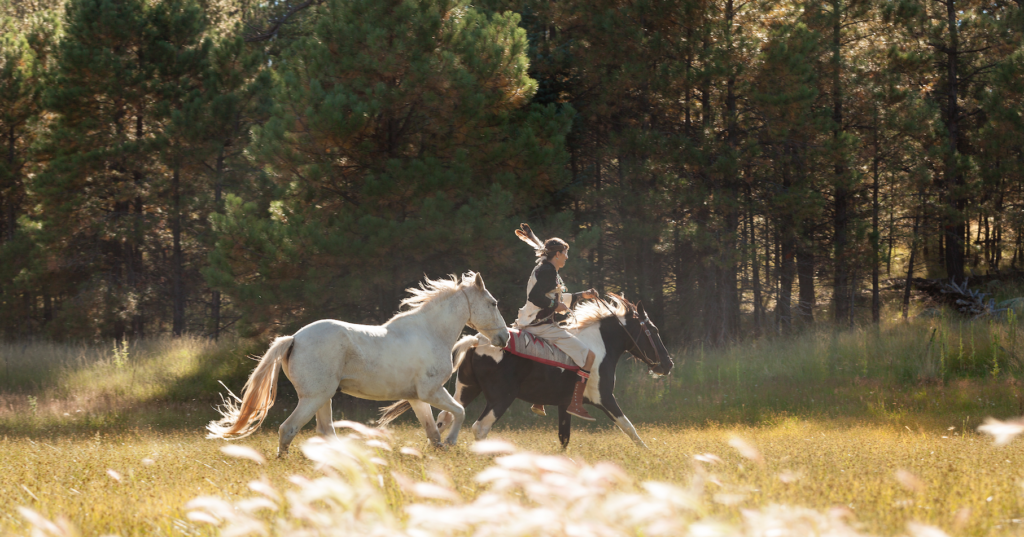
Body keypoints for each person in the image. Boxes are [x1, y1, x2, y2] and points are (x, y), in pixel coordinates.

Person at [514, 223, 598, 421]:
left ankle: (540, 399)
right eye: (565, 253)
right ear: (558, 254)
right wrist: (554, 305)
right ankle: (576, 403)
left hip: (534, 323)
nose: (567, 257)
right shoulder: (548, 271)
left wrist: (582, 295)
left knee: (562, 354)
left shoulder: (547, 269)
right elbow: (536, 297)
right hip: (540, 326)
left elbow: (554, 299)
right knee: (589, 358)